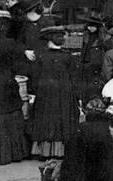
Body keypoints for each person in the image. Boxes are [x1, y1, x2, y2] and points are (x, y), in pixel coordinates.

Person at [27, 26, 80, 159]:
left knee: (45, 119)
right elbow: (74, 79)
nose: (61, 38)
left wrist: (33, 93)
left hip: (45, 93)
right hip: (64, 94)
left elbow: (34, 76)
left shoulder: (41, 56)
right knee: (61, 119)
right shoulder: (68, 57)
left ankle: (43, 150)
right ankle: (60, 150)